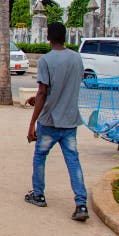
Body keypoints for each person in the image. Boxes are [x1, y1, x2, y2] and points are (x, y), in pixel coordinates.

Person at [25, 22, 89, 222]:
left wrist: (32, 122)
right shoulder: (77, 58)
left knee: (40, 156)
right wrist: (39, 100)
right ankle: (81, 204)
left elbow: (44, 91)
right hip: (70, 121)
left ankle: (38, 194)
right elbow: (63, 89)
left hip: (49, 121)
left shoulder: (46, 60)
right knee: (73, 161)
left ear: (48, 37)